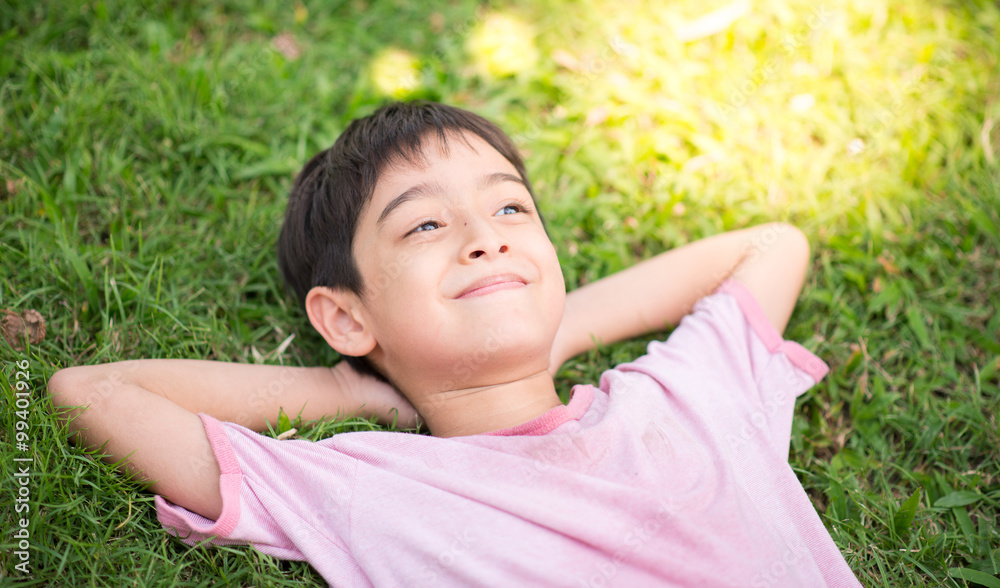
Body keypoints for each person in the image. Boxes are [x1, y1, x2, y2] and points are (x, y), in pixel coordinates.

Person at [48, 101, 862, 587]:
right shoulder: (371, 485)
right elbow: (90, 392)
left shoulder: (683, 398)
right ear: (347, 318)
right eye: (427, 225)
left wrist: (554, 332)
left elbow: (773, 246)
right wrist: (346, 393)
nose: (486, 238)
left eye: (511, 210)